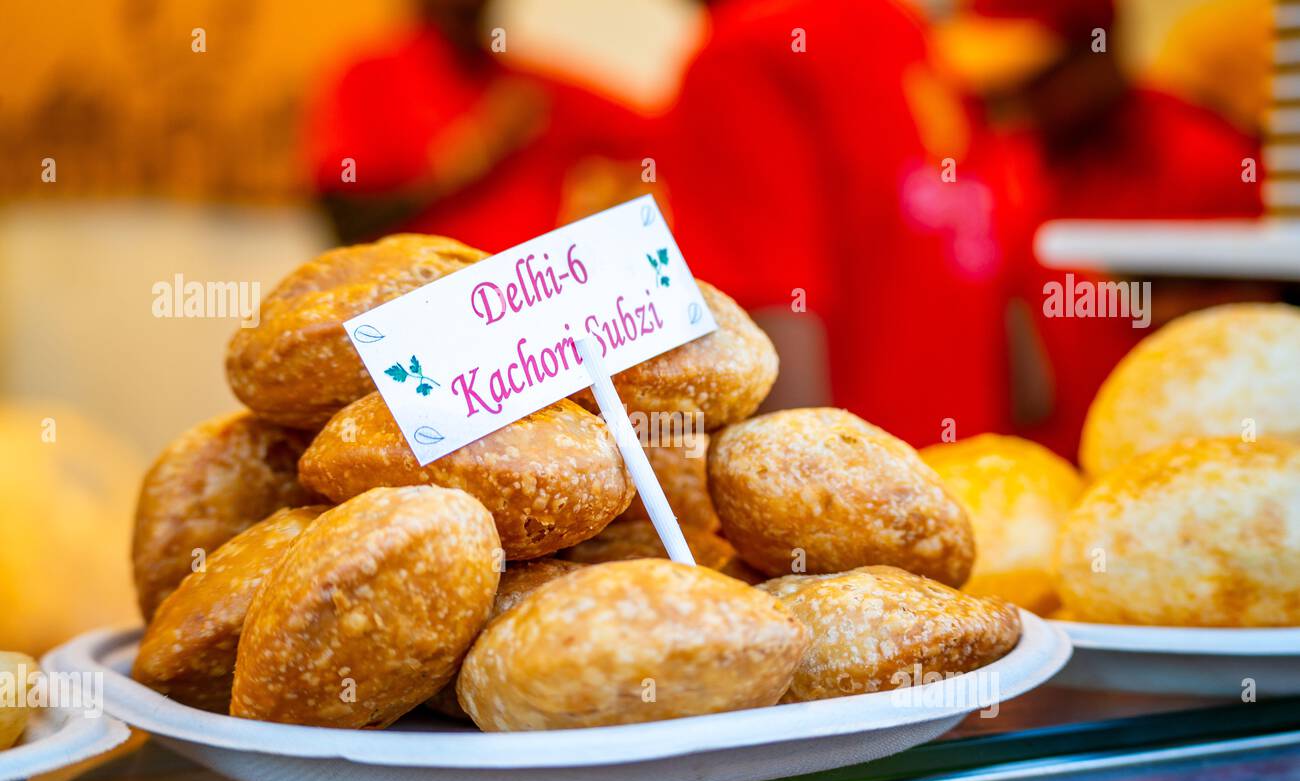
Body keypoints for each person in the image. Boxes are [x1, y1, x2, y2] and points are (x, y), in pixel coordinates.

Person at [659, 0, 1020, 449]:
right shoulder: (900, 26)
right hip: (978, 477)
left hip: (855, 493)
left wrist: (803, 492)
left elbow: (767, 322)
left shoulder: (740, 58)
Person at [936, 0, 1266, 457]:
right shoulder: (1008, 157)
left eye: (1038, 77)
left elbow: (1249, 350)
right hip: (1033, 478)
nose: (1019, 103)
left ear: (1098, 50)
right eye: (1000, 87)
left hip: (1162, 476)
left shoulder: (1208, 166)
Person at [304, 0, 652, 252]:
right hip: (420, 311)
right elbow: (344, 222)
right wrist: (463, 162)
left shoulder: (531, 85)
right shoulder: (367, 77)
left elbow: (662, 137)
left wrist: (619, 197)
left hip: (538, 316)